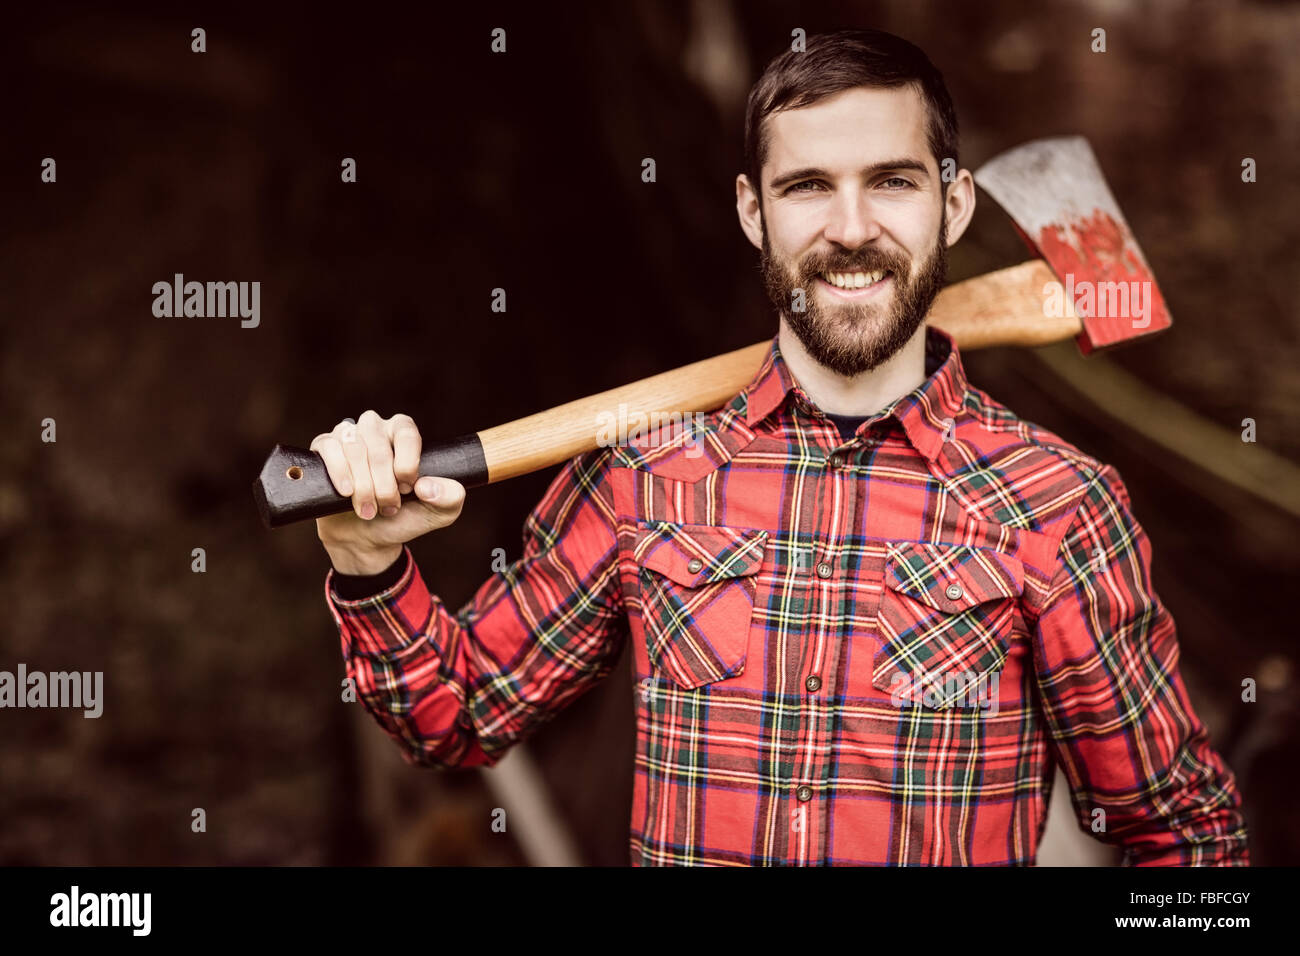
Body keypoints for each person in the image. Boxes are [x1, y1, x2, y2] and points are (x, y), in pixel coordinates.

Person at [310, 29, 1248, 866]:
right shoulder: (646, 477)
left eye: (892, 180)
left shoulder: (1058, 504)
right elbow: (461, 716)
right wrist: (369, 566)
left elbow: (1186, 836)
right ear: (754, 212)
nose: (850, 229)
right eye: (807, 186)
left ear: (953, 207)